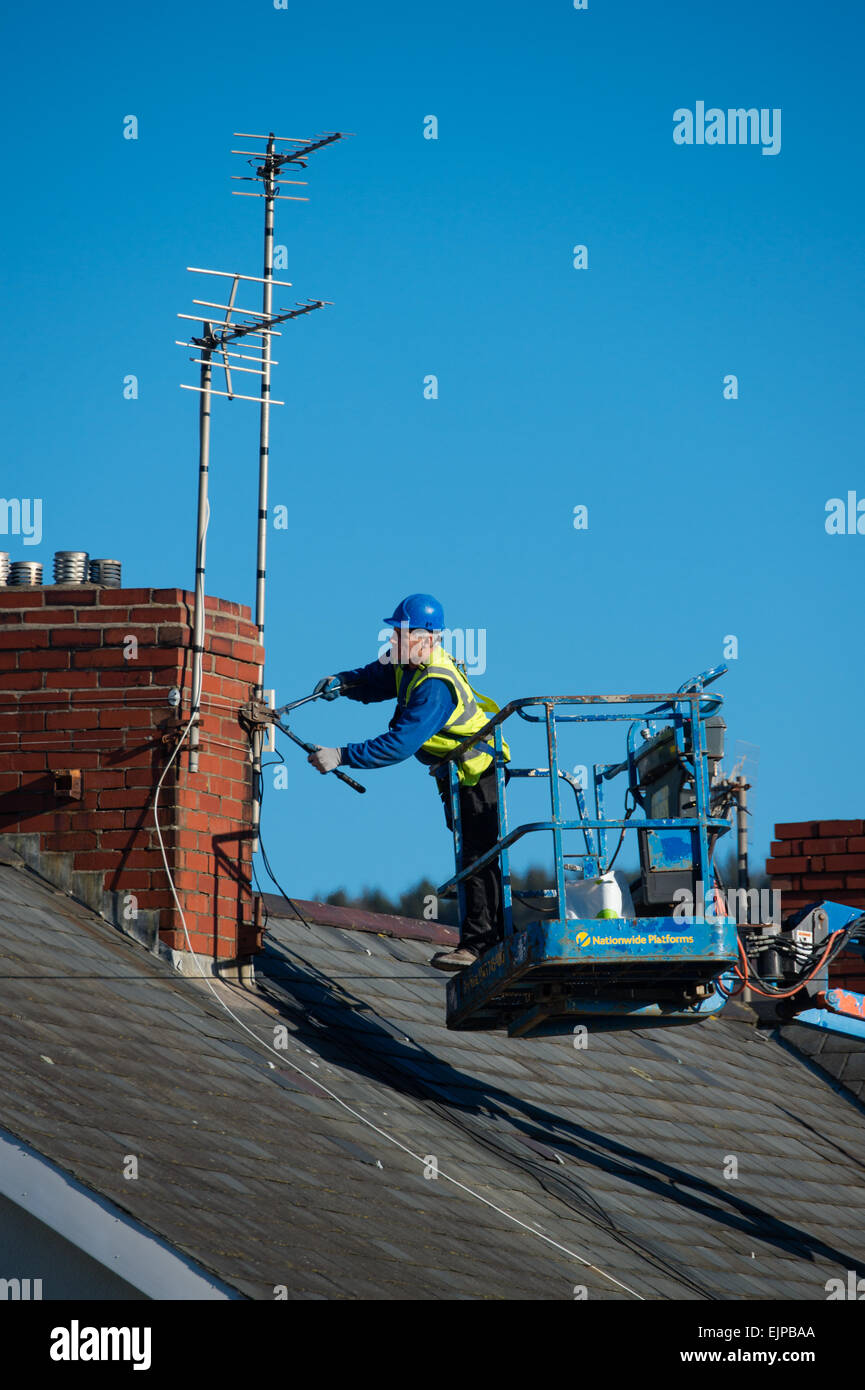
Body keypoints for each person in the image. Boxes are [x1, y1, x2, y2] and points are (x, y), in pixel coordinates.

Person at [308, 593, 510, 971]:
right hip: (457, 776)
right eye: (395, 632)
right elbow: (374, 678)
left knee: (478, 856)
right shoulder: (405, 662)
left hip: (478, 774)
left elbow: (400, 744)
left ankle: (481, 945)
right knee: (471, 853)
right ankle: (481, 941)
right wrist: (344, 683)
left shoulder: (435, 684)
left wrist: (342, 754)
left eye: (404, 633)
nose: (395, 640)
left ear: (429, 638)